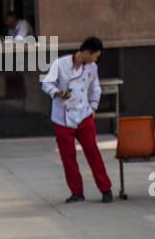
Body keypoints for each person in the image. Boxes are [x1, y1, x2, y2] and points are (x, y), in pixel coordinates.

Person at [40, 35, 112, 203]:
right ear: (87, 52)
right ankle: (76, 191)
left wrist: (93, 107)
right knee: (68, 156)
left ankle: (105, 188)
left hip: (84, 114)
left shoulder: (92, 68)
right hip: (62, 116)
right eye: (95, 55)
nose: (95, 59)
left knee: (93, 152)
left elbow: (95, 89)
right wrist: (57, 93)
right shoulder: (61, 64)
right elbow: (46, 84)